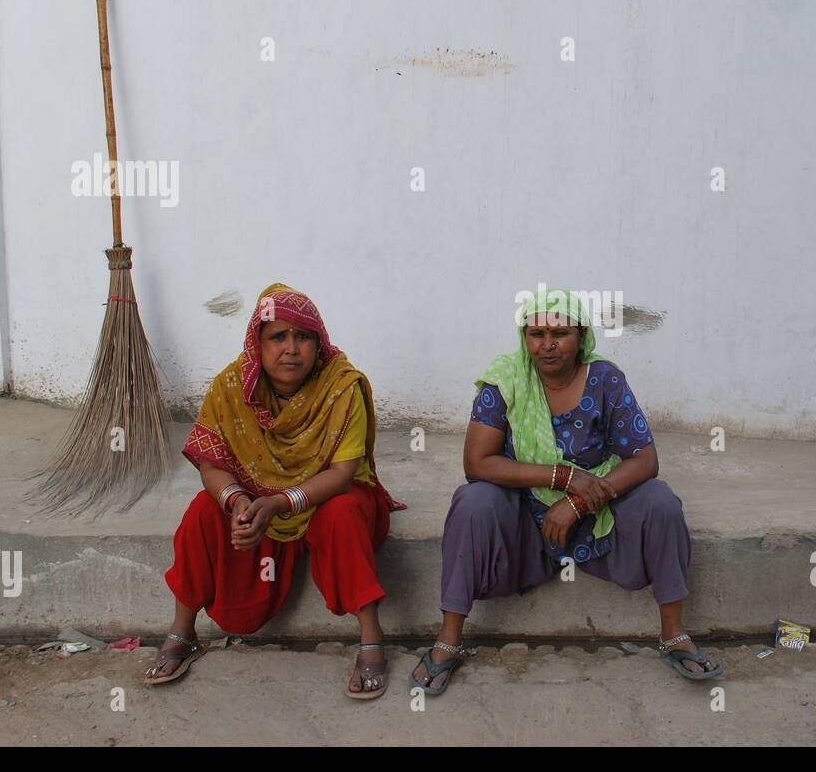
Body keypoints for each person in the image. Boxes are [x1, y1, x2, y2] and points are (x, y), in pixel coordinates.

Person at [411, 288, 721, 694]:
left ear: (581, 337)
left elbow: (645, 459)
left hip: (596, 512)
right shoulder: (504, 381)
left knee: (659, 500)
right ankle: (449, 638)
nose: (548, 344)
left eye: (560, 333)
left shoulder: (605, 379)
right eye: (536, 333)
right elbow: (478, 463)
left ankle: (674, 634)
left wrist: (577, 500)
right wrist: (562, 477)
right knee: (473, 501)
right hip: (526, 519)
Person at [143, 283, 401, 699]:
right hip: (260, 505)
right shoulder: (232, 387)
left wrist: (280, 502)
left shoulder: (341, 386)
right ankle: (183, 632)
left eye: (303, 336)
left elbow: (342, 472)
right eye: (277, 337)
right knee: (203, 511)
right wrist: (238, 501)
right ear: (257, 344)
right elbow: (211, 463)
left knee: (342, 511)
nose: (291, 349)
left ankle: (371, 638)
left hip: (324, 501)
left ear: (319, 343)